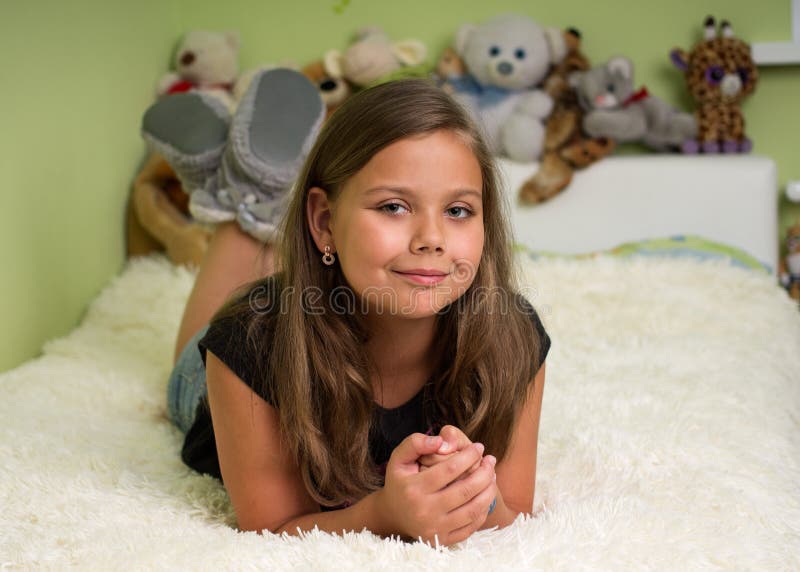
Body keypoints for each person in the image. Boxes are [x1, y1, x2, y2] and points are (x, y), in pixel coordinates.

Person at [143, 68, 550, 547]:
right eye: (394, 207)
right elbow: (272, 529)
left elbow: (514, 511)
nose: (432, 240)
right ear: (324, 221)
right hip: (219, 373)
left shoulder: (514, 336)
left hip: (307, 288)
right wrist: (382, 515)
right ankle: (241, 203)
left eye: (458, 211)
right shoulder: (247, 344)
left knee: (290, 284)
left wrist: (478, 495)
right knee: (220, 323)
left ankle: (252, 190)